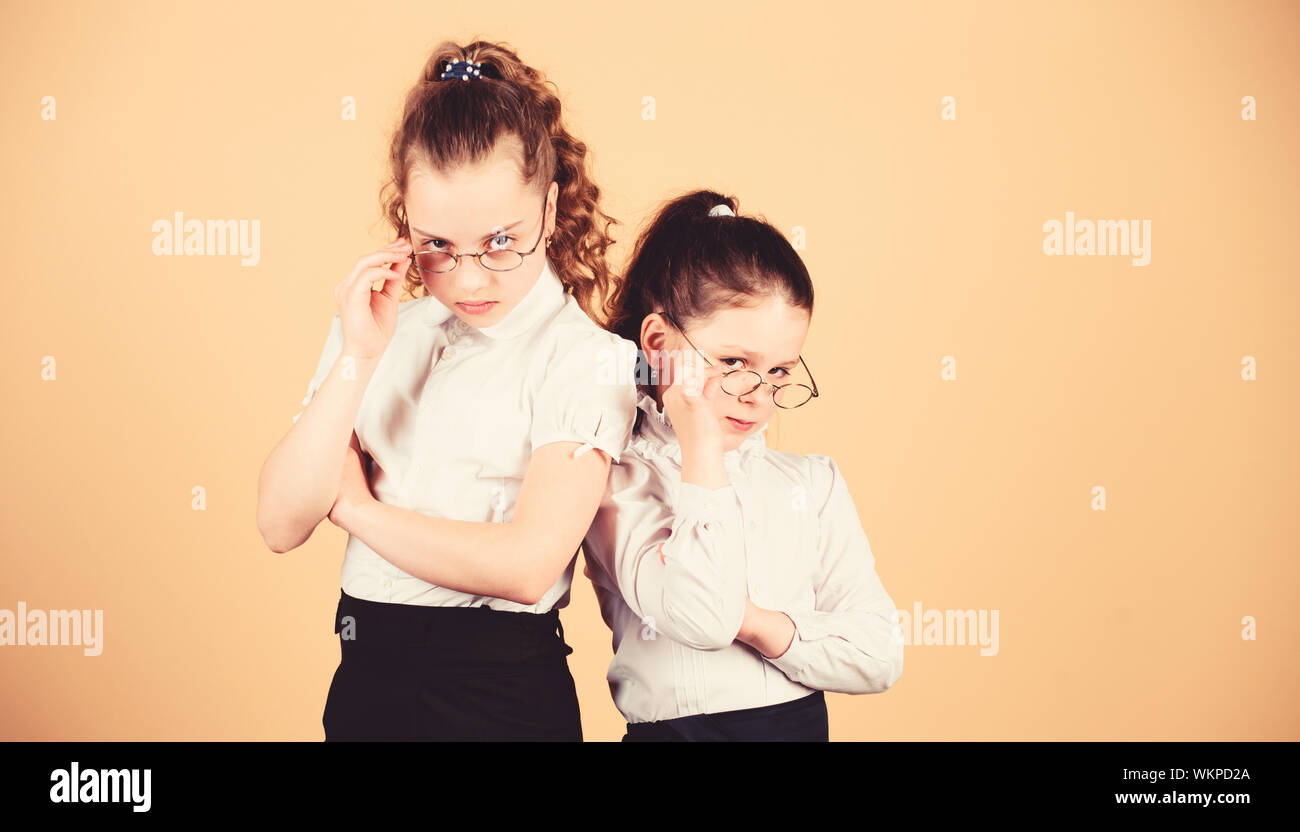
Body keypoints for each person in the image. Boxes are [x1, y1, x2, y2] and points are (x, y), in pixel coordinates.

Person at [256, 40, 638, 741]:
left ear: (550, 211)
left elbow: (526, 567)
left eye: (501, 241)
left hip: (500, 696)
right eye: (436, 245)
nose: (467, 280)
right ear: (405, 220)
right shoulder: (376, 331)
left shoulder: (588, 360)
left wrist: (358, 510)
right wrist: (358, 357)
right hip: (365, 681)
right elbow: (281, 522)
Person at [584, 189, 904, 741]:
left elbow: (879, 655)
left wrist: (756, 624)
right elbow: (704, 619)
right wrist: (701, 450)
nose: (758, 395)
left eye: (780, 372)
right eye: (734, 362)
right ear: (659, 343)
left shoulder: (812, 484)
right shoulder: (617, 478)